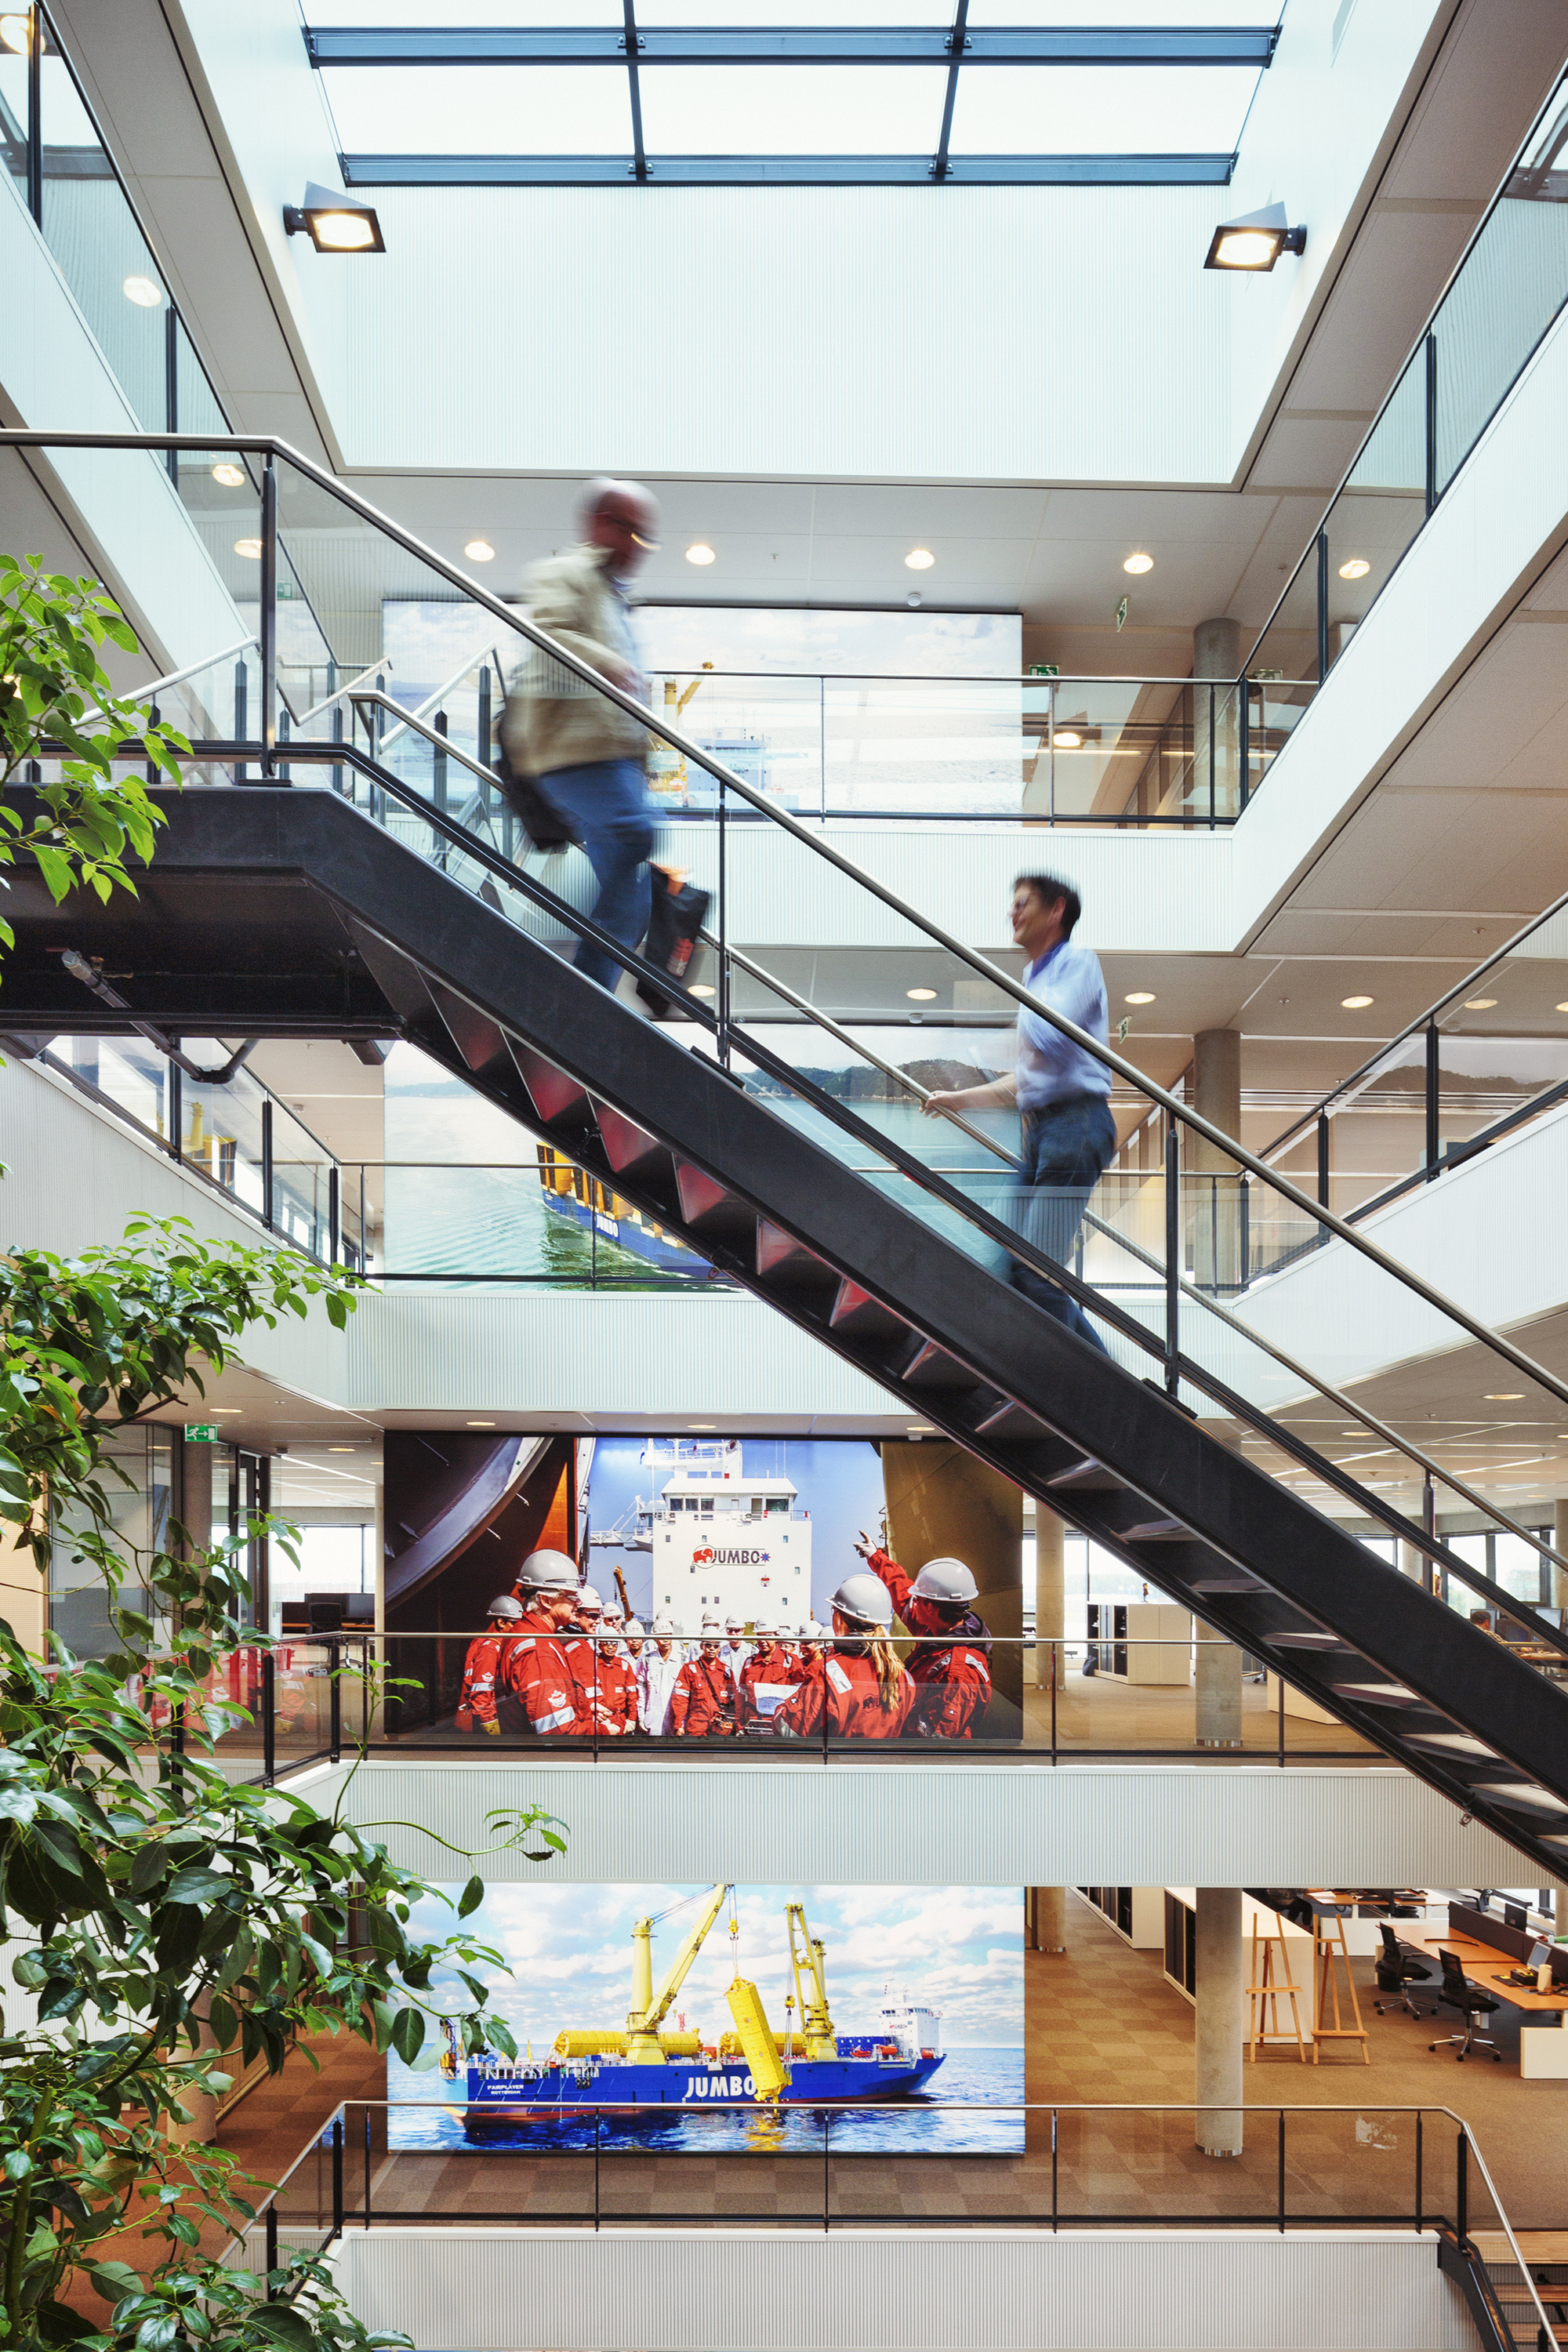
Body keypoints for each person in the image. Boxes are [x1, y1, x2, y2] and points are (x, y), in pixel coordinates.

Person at [922, 872, 1113, 1352]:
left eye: (1023, 902)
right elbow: (1030, 1075)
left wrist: (1009, 1031)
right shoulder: (1036, 978)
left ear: (1057, 910)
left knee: (1036, 1272)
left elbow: (1054, 1036)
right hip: (1044, 1130)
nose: (1012, 911)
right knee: (1010, 1264)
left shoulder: (1077, 964)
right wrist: (959, 1102)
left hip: (1077, 1125)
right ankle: (1095, 1376)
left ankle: (1108, 1389)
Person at [503, 477, 661, 994]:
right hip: (568, 753)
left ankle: (604, 993)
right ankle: (587, 987)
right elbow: (548, 631)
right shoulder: (563, 572)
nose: (638, 547)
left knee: (634, 876)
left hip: (616, 759)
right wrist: (609, 662)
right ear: (599, 524)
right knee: (638, 835)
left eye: (645, 536)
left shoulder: (619, 600)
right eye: (630, 531)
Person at [855, 1534, 993, 1740]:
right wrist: (876, 1556)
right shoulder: (936, 1633)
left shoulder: (959, 1673)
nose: (912, 1602)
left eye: (917, 1599)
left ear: (930, 1607)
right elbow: (900, 1591)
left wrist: (881, 1717)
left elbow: (935, 1737)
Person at [774, 1573, 913, 1741]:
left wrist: (781, 1709)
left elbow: (788, 1731)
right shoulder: (902, 1675)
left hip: (838, 1764)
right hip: (887, 1765)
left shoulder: (825, 1673)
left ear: (840, 1618)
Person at [498, 1551, 586, 1736]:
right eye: (572, 1597)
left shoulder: (530, 1633)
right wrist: (603, 1731)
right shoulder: (538, 1651)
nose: (578, 1603)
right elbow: (557, 1731)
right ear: (546, 1600)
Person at [456, 1594, 524, 1736]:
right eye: (515, 1623)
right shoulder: (490, 1649)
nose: (519, 1628)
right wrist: (490, 1725)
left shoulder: (500, 1645)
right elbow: (482, 1691)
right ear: (501, 1623)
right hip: (487, 1719)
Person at [670, 1620, 739, 1737]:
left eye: (715, 1646)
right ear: (702, 1646)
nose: (712, 1648)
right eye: (708, 1645)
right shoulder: (690, 1669)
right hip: (697, 1727)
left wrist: (735, 1724)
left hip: (720, 1728)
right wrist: (679, 1725)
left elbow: (734, 1702)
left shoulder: (726, 1671)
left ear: (719, 1649)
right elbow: (680, 1700)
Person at [638, 1617, 685, 1737]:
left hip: (676, 1716)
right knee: (654, 1752)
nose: (665, 1640)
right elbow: (642, 1690)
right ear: (655, 1639)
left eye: (668, 1636)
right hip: (653, 1716)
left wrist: (683, 1720)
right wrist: (641, 1717)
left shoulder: (682, 1659)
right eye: (661, 1636)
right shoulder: (648, 1659)